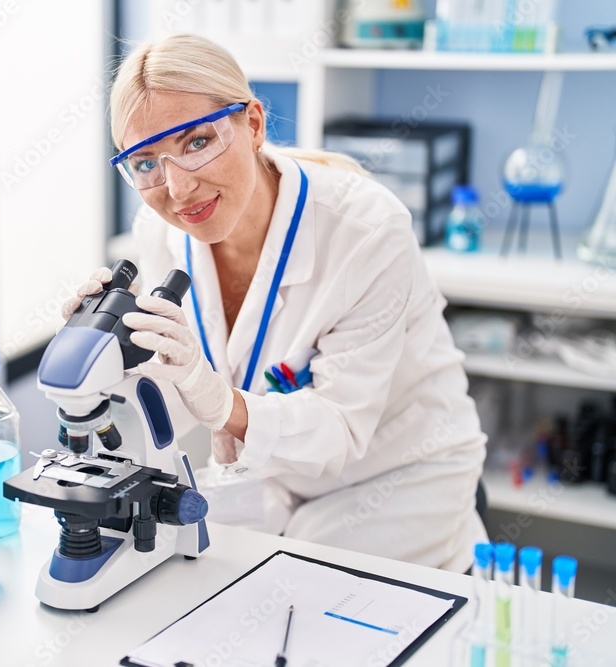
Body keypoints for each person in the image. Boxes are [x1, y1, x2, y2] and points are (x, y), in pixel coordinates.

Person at [62, 34, 488, 573]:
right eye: (145, 163)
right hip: (270, 477)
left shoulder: (367, 231)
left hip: (400, 477)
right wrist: (101, 357)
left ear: (254, 124)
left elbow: (341, 425)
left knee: (296, 600)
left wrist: (221, 403)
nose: (178, 187)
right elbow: (170, 389)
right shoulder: (158, 232)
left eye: (197, 142)